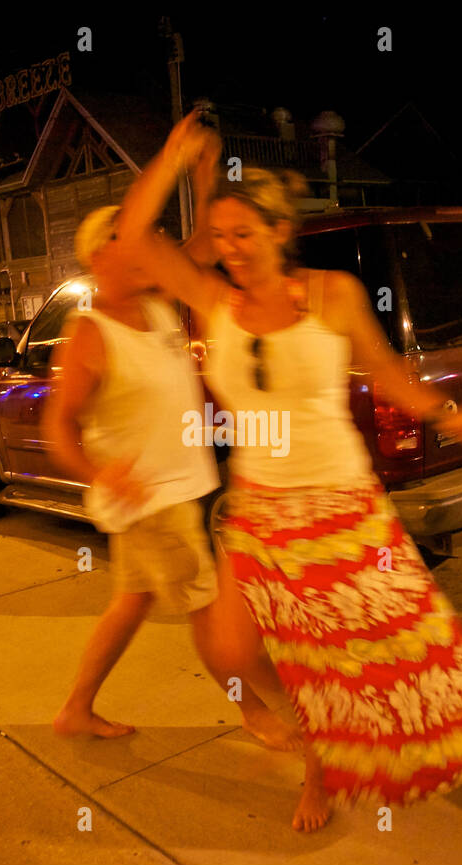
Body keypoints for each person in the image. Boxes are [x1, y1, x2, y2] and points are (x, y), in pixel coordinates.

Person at [116, 112, 462, 831]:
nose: (230, 249)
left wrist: (454, 415)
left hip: (340, 505)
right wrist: (174, 154)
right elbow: (132, 239)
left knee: (345, 661)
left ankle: (320, 770)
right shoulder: (217, 302)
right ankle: (315, 736)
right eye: (221, 237)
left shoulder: (332, 295)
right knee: (236, 652)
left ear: (278, 231)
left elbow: (392, 378)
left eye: (245, 234)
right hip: (259, 508)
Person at [44, 199, 300, 750]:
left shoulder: (157, 306)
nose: (144, 246)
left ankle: (75, 708)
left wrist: (201, 172)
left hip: (178, 488)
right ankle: (255, 711)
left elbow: (202, 246)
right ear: (98, 257)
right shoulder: (88, 334)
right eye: (125, 238)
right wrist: (100, 474)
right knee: (209, 612)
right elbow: (58, 426)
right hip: (153, 502)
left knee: (131, 602)